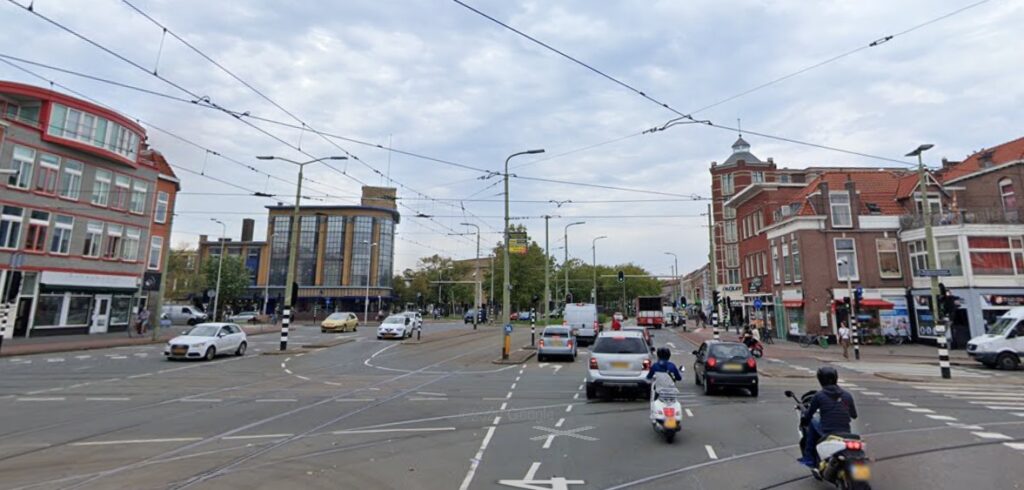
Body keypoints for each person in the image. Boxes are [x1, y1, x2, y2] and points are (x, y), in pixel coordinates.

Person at [798, 366, 858, 468]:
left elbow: (809, 414)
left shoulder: (819, 396)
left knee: (812, 421)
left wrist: (805, 419)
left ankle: (808, 457)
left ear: (820, 380)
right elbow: (854, 415)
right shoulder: (847, 395)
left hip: (827, 431)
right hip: (846, 432)